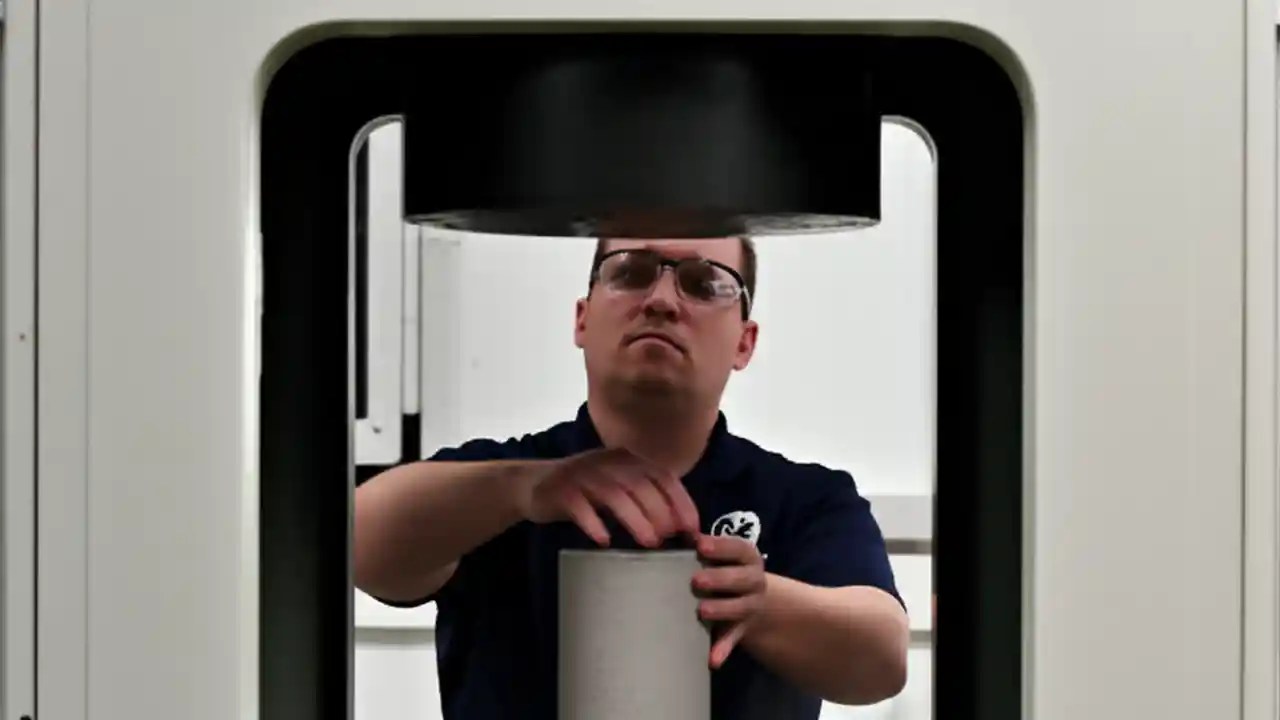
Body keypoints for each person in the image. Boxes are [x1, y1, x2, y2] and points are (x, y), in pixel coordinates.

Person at [353, 235, 909, 720]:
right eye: (630, 272)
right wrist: (520, 489)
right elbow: (358, 544)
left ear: (745, 341)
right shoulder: (491, 485)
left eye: (704, 283)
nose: (662, 301)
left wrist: (760, 603)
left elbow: (882, 661)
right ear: (582, 318)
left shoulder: (805, 500)